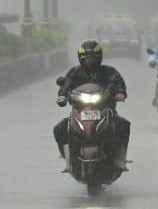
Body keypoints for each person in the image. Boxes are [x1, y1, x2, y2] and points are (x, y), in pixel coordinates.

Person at [54, 40, 130, 169]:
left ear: (99, 57)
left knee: (123, 125)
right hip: (79, 111)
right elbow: (65, 86)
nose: (90, 61)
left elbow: (119, 84)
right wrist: (62, 97)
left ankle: (120, 158)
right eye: (87, 58)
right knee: (59, 128)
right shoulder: (74, 72)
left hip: (105, 110)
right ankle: (68, 159)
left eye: (93, 58)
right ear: (81, 58)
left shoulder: (109, 72)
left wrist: (120, 93)